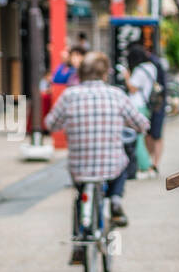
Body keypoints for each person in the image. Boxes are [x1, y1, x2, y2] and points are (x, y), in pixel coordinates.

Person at [45, 50, 149, 228]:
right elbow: (142, 124)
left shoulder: (69, 96)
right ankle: (116, 201)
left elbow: (50, 124)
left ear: (81, 73)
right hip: (110, 165)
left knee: (80, 193)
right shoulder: (116, 94)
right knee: (123, 163)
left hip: (79, 166)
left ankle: (79, 244)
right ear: (104, 73)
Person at [126, 42, 167, 173]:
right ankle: (151, 165)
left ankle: (145, 165)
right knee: (147, 136)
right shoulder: (151, 67)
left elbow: (132, 88)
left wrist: (126, 76)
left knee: (138, 137)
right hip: (147, 105)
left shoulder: (139, 70)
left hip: (137, 105)